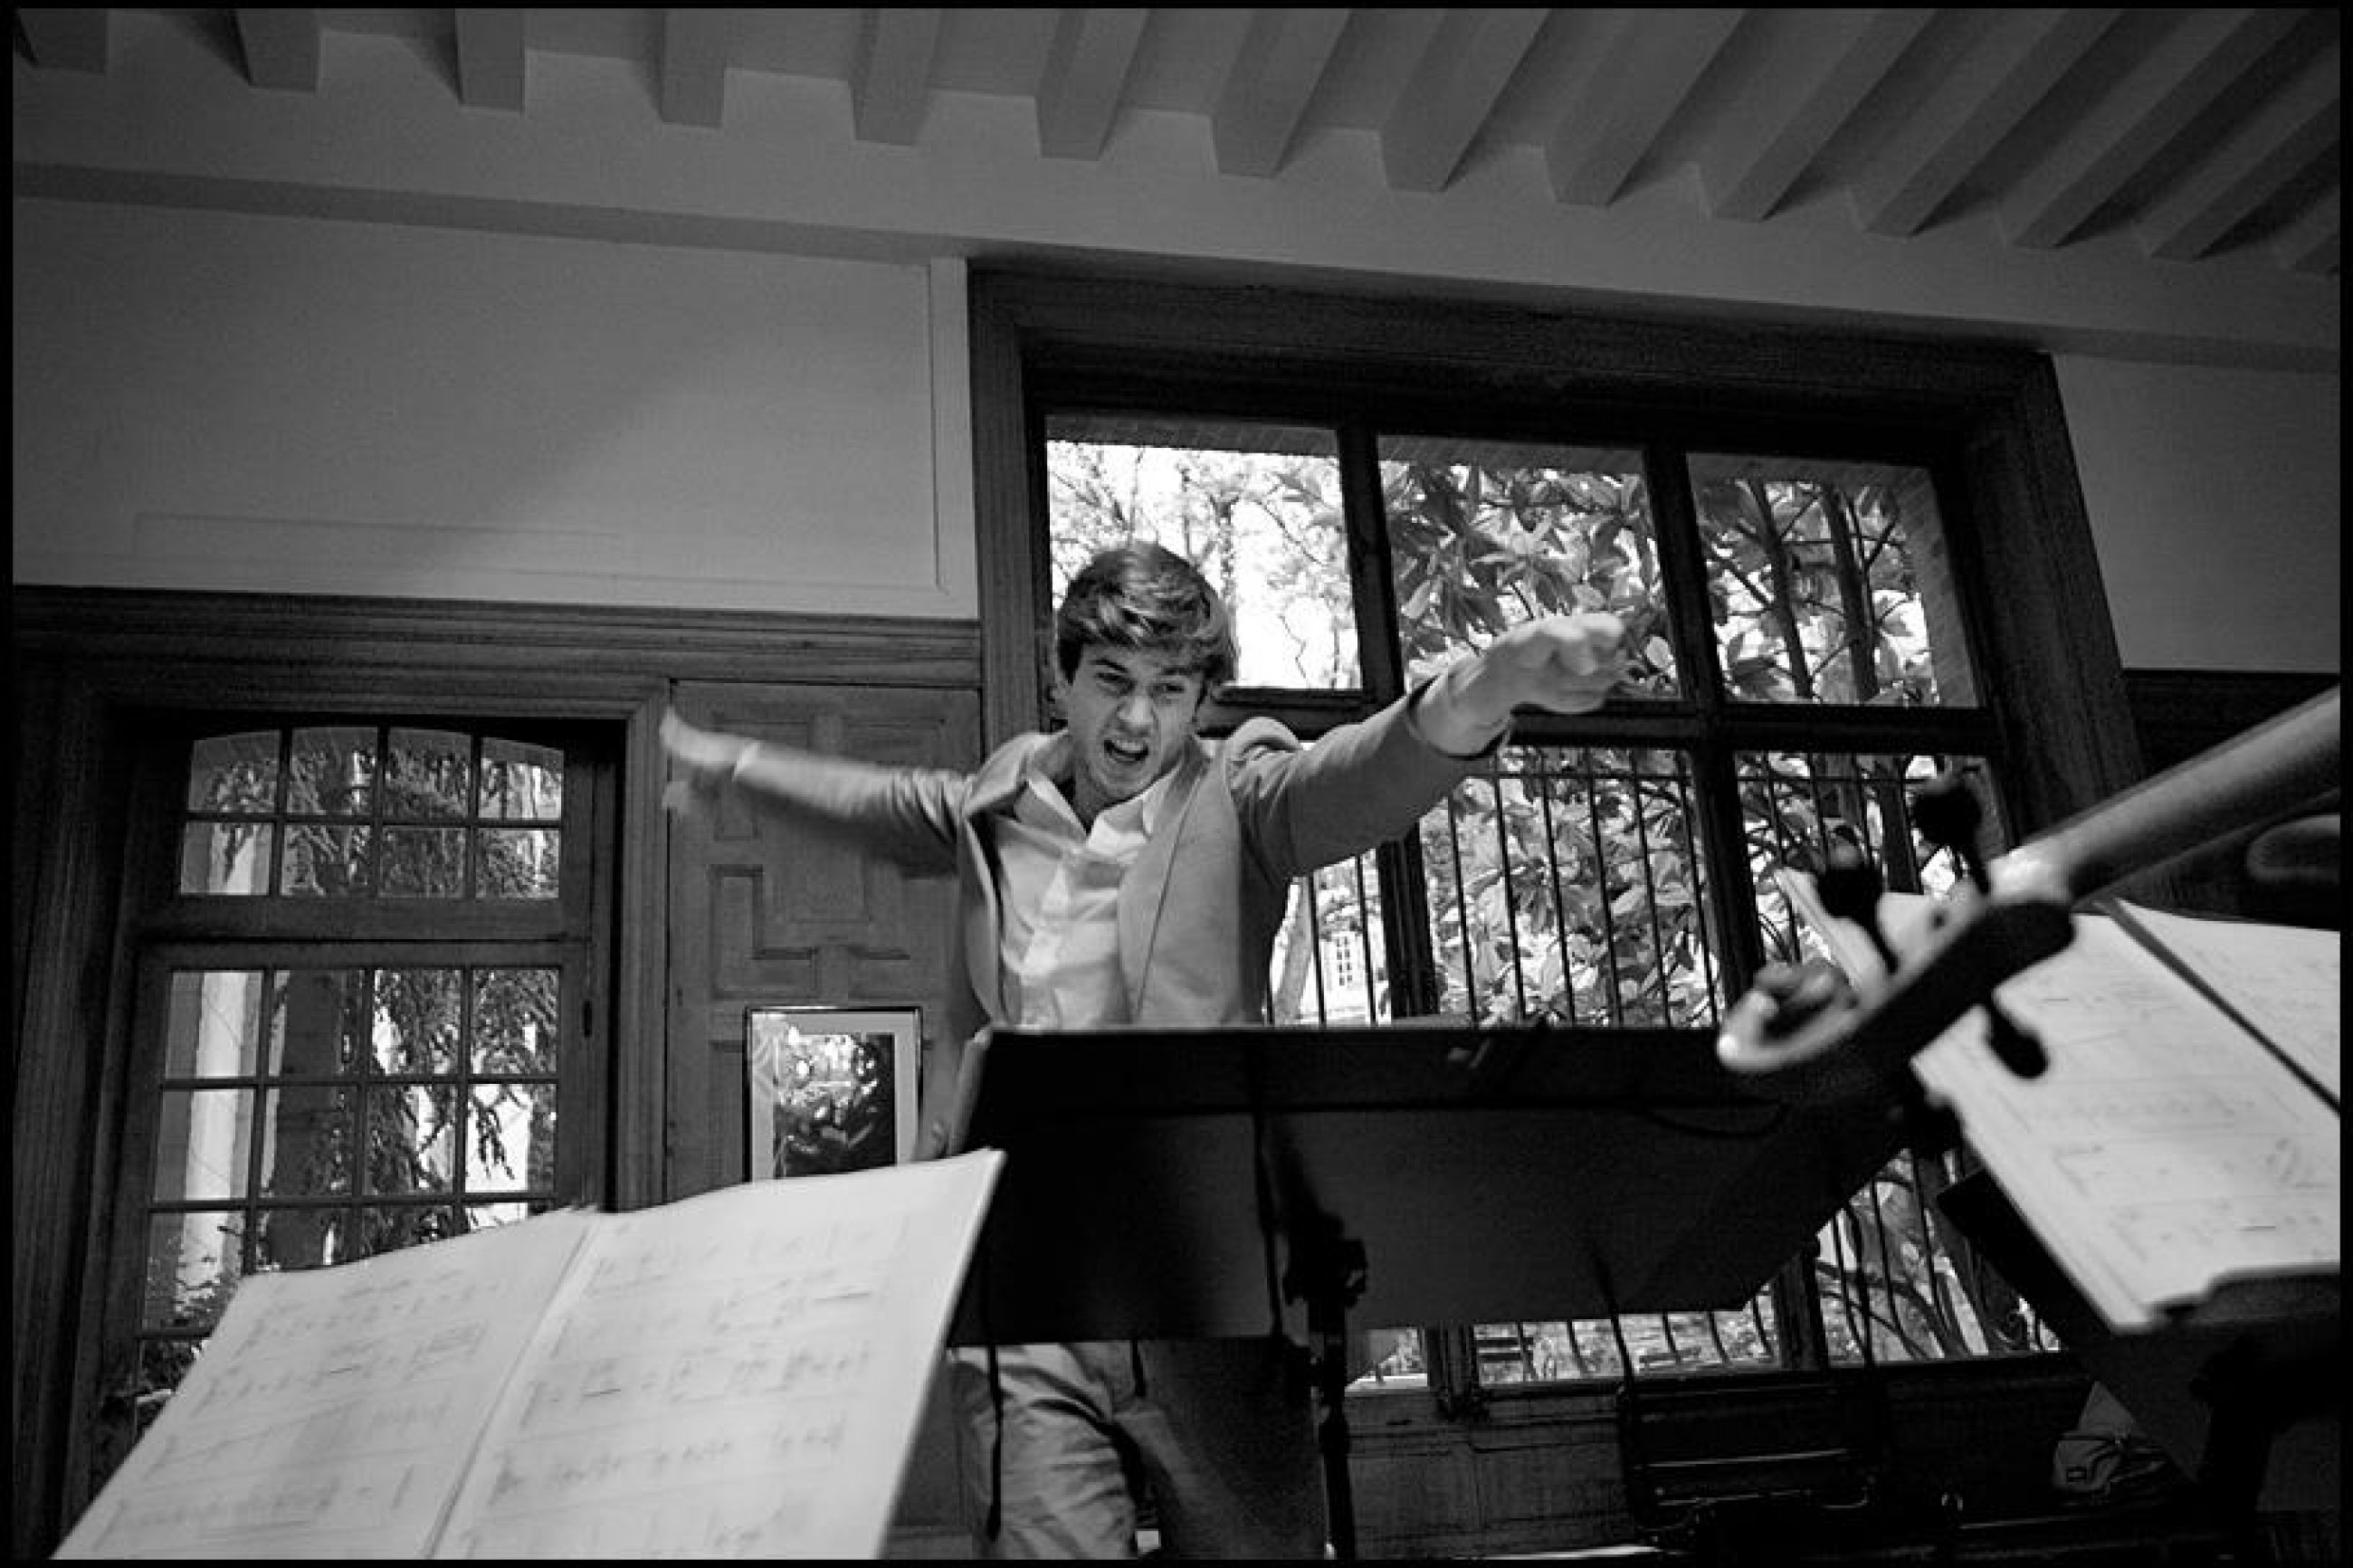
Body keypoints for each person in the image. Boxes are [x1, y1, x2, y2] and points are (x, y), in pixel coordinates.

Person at [662, 542, 1624, 1559]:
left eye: (1168, 691)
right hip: (1028, 1276)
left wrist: (1486, 687)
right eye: (1111, 681)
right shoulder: (1000, 800)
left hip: (1203, 1279)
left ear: (1200, 699)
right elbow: (888, 805)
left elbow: (1360, 773)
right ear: (1062, 679)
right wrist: (736, 768)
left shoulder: (1238, 798)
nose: (1134, 720)